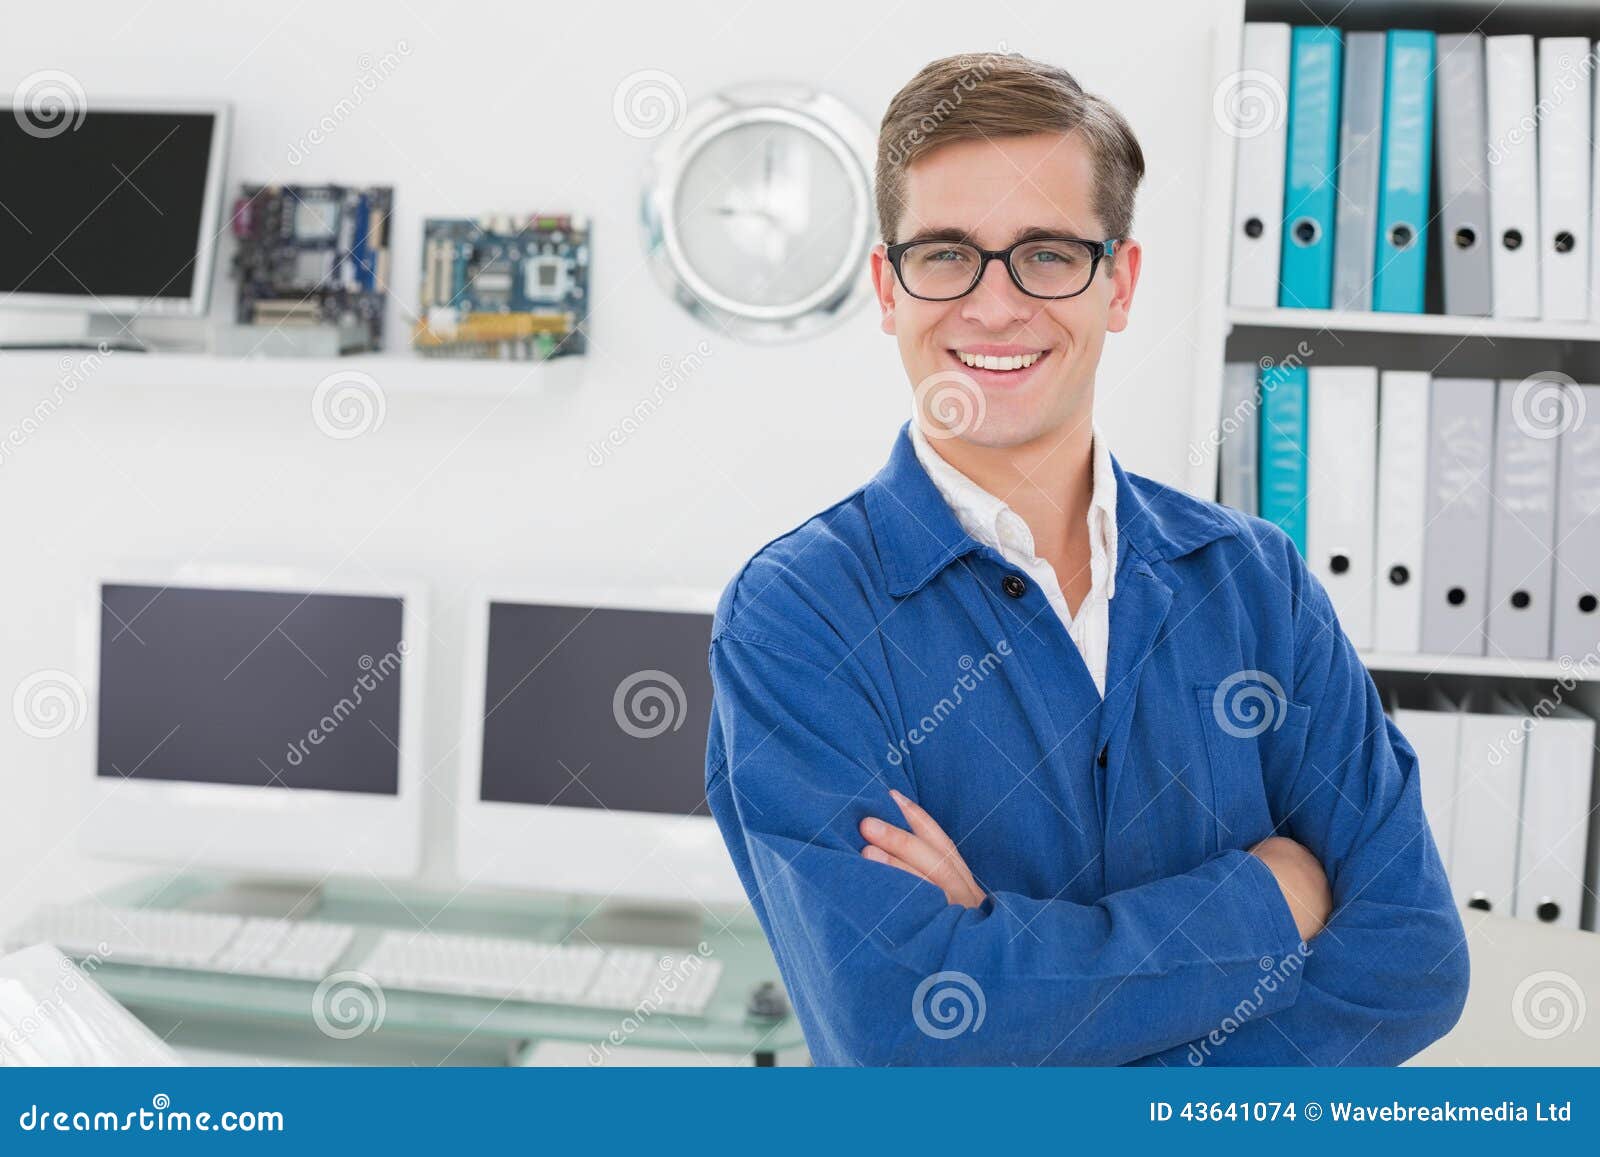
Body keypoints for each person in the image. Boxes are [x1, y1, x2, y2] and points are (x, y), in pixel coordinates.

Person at [704, 51, 1468, 1066]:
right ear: (888, 287)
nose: (992, 304)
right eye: (944, 254)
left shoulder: (1256, 585)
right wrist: (1268, 900)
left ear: (1119, 282)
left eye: (1047, 254)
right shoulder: (797, 615)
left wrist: (1004, 974)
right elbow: (903, 1031)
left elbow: (1409, 962)